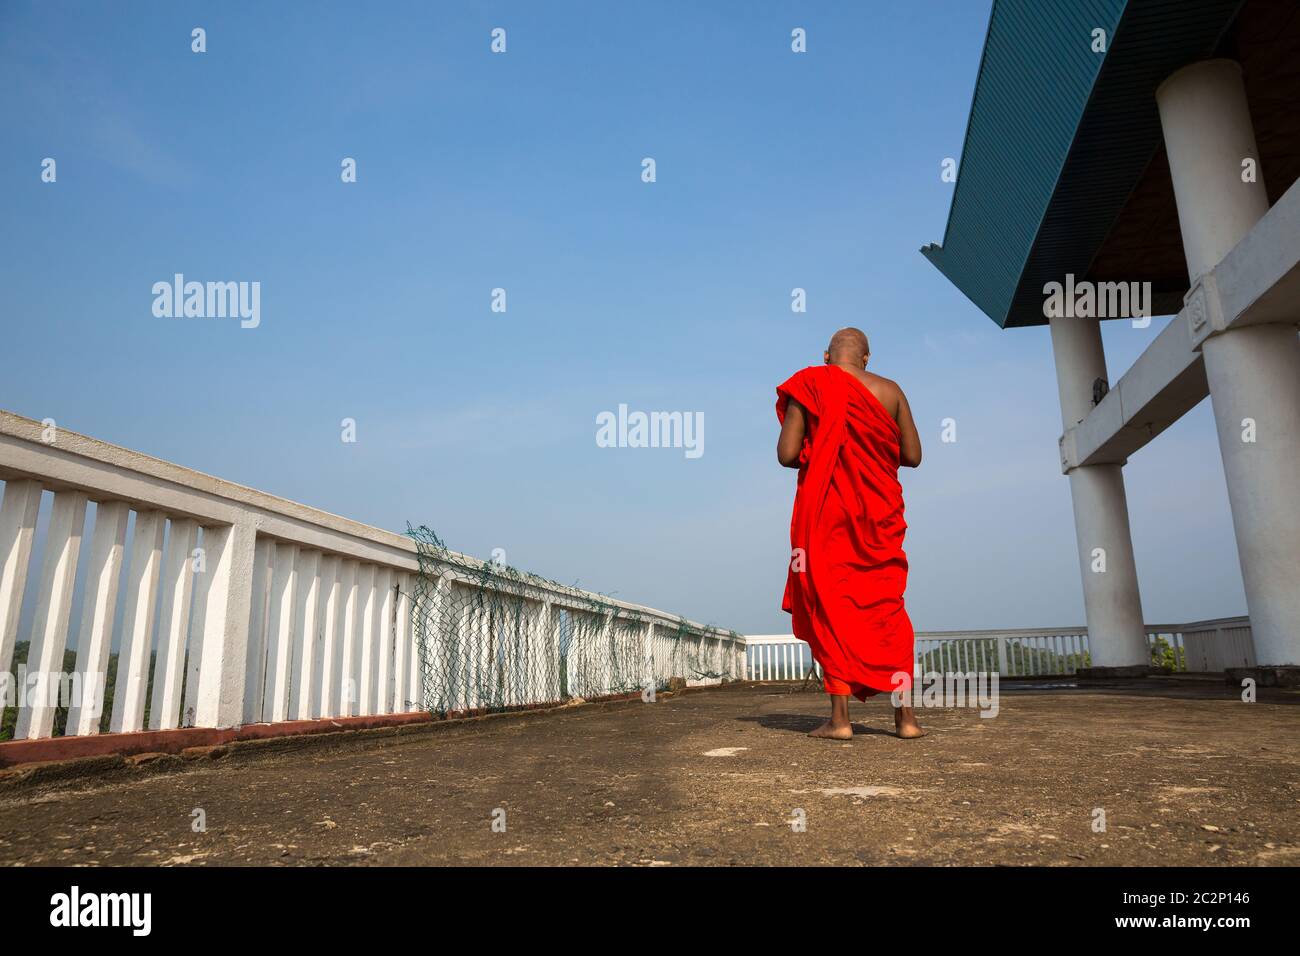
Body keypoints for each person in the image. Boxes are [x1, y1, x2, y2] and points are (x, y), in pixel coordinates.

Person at [776, 327, 924, 740]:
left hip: (828, 517)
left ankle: (839, 721)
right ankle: (906, 720)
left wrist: (821, 445)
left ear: (826, 355)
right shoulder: (891, 391)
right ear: (867, 358)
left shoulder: (811, 385)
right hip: (878, 517)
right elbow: (912, 456)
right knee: (888, 608)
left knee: (831, 606)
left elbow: (787, 455)